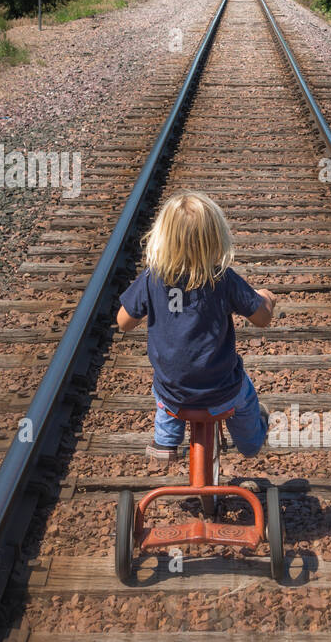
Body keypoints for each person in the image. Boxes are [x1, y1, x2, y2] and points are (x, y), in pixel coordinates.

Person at [116, 190, 275, 461]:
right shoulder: (222, 279)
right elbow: (262, 319)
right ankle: (251, 442)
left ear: (163, 237)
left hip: (174, 392)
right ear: (215, 237)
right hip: (222, 391)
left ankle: (166, 442)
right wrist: (267, 298)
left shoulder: (152, 278)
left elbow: (123, 323)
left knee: (165, 391)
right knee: (244, 395)